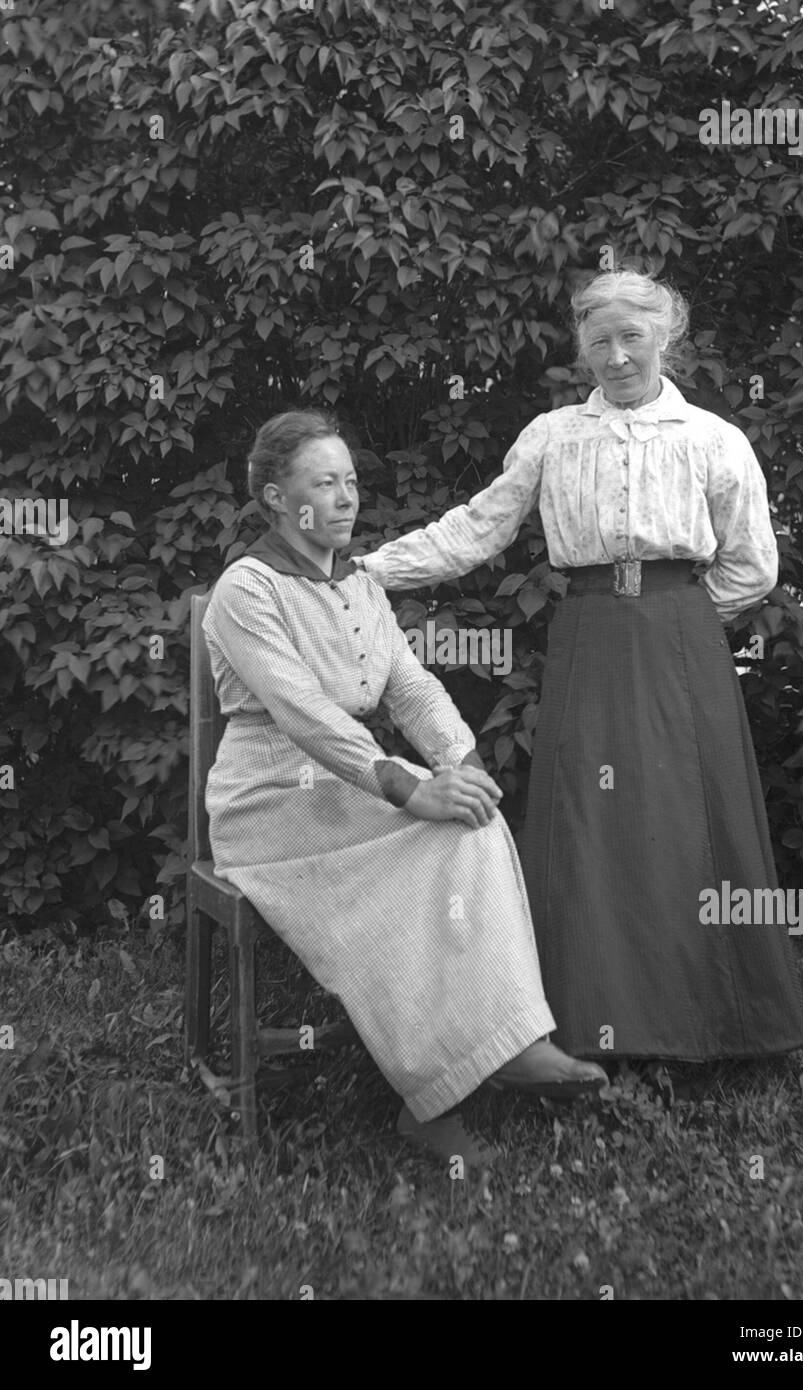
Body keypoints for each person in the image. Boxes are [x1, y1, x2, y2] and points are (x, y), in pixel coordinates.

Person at [356, 267, 803, 1068]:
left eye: (632, 336)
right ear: (582, 349)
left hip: (680, 641)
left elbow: (752, 566)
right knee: (589, 821)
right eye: (599, 340)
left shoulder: (711, 439)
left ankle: (718, 1030)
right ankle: (587, 1027)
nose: (617, 356)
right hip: (589, 635)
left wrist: (683, 622)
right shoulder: (551, 436)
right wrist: (368, 570)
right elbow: (476, 528)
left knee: (686, 817)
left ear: (664, 338)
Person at [202, 411, 606, 1165]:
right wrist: (404, 786)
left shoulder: (359, 585)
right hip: (268, 803)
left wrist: (462, 762)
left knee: (473, 820)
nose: (346, 497)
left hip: (343, 789)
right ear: (275, 501)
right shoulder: (245, 590)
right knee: (428, 838)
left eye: (350, 480)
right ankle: (438, 1091)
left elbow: (411, 691)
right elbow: (305, 714)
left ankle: (517, 1039)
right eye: (324, 483)